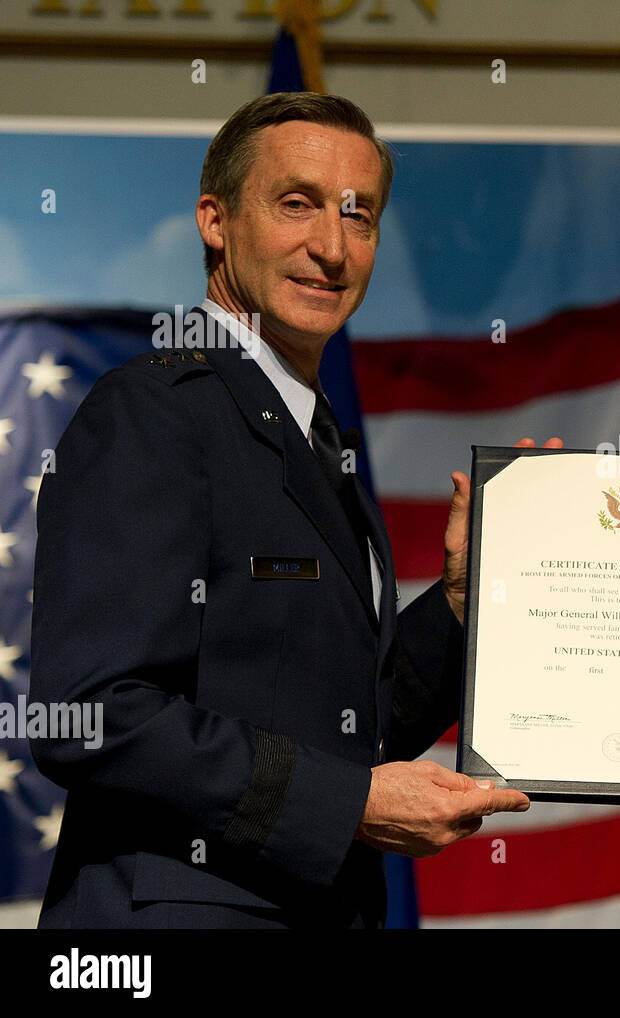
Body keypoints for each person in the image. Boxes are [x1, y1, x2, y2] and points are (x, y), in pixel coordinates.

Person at [29, 93, 541, 928]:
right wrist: (349, 806)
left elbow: (338, 727)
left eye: (359, 214)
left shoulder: (308, 432)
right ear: (216, 220)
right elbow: (89, 715)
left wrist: (457, 603)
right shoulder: (155, 412)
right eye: (296, 204)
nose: (331, 247)